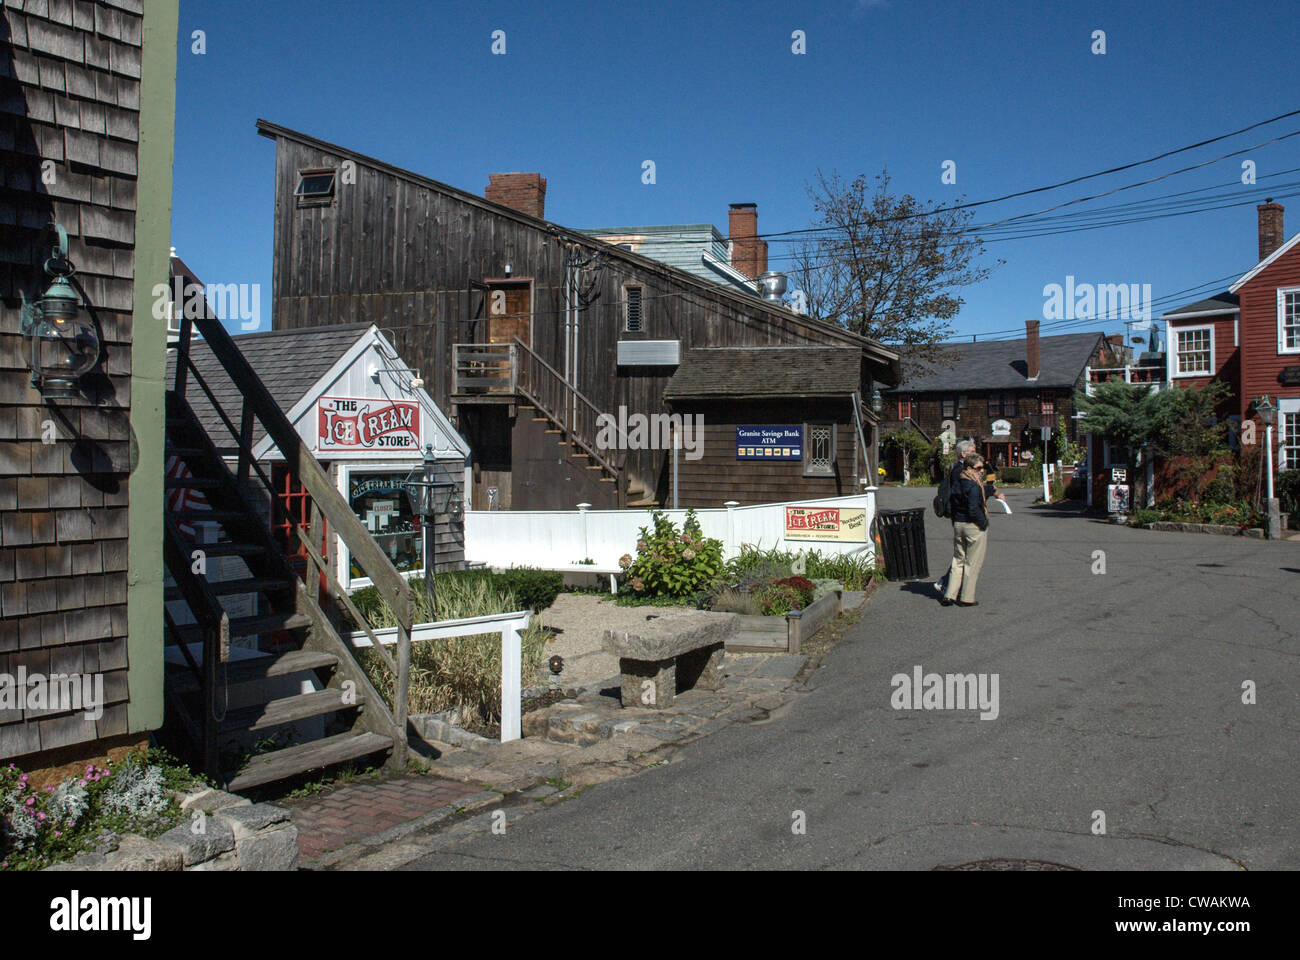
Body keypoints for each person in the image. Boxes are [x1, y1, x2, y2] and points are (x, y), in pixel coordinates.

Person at [941, 453, 989, 607]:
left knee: (958, 560)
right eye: (979, 468)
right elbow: (973, 508)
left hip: (958, 523)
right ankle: (966, 597)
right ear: (970, 468)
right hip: (972, 525)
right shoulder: (973, 486)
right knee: (972, 562)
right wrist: (984, 523)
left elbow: (951, 503)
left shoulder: (958, 483)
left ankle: (950, 594)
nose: (982, 471)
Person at [934, 440, 975, 594]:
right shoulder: (960, 471)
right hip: (962, 516)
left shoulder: (962, 469)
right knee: (964, 552)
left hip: (961, 515)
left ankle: (949, 583)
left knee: (964, 552)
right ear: (963, 454)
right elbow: (964, 494)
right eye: (972, 451)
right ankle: (945, 583)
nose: (975, 454)